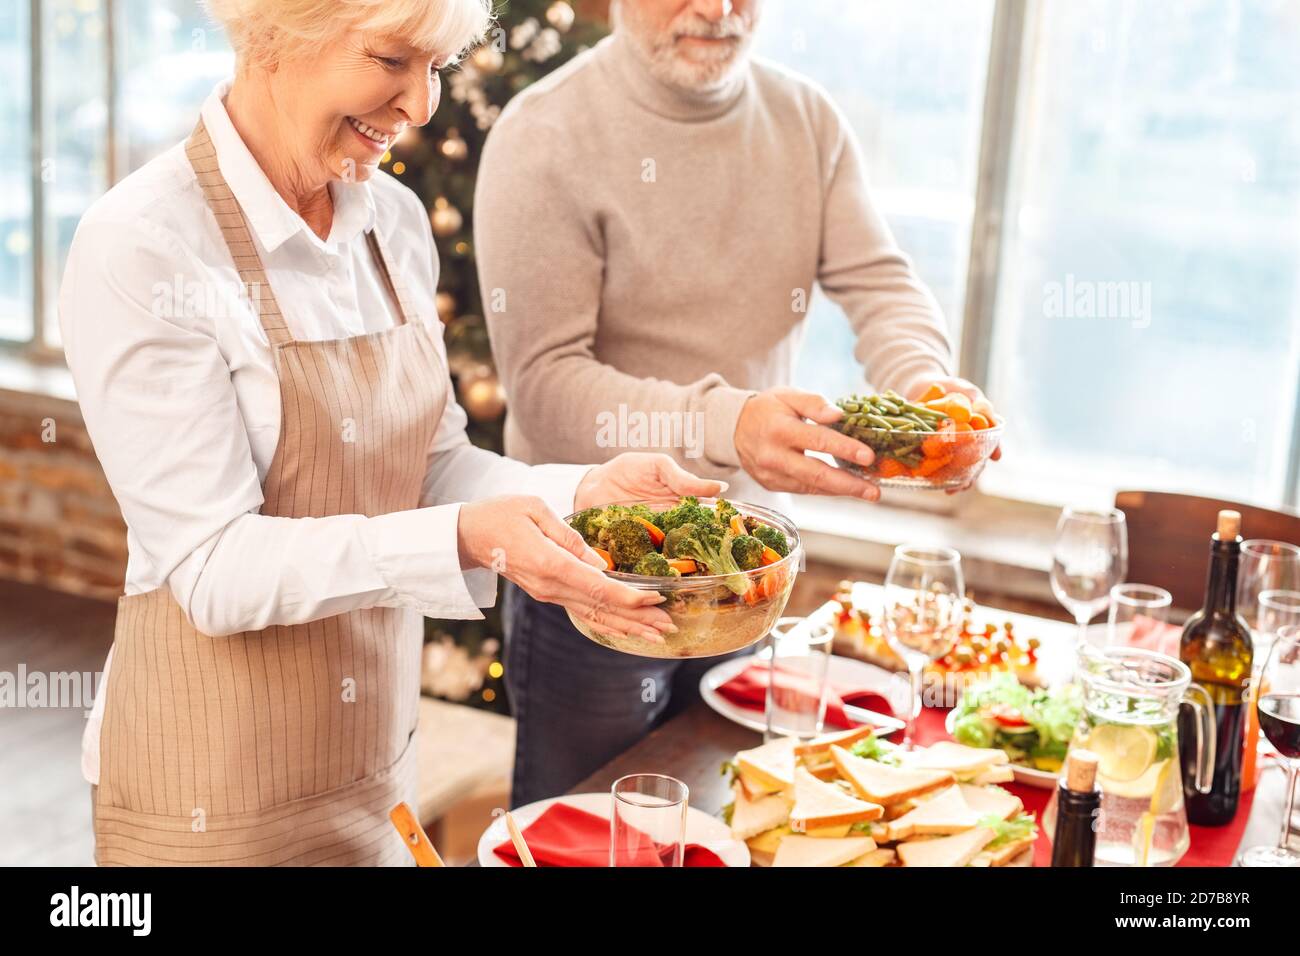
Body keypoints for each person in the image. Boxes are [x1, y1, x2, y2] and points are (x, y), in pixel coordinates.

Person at [59, 0, 720, 866]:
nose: (420, 105)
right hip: (209, 796)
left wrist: (582, 494)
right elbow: (213, 570)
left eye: (437, 68)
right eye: (391, 59)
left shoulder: (392, 221)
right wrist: (467, 539)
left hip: (372, 767)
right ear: (273, 33)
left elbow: (435, 463)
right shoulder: (145, 245)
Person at [475, 0, 996, 806]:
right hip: (598, 569)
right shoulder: (544, 134)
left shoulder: (806, 121)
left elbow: (880, 285)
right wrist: (728, 424)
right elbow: (545, 387)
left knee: (722, 816)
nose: (718, 10)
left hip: (751, 569)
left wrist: (923, 387)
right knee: (591, 836)